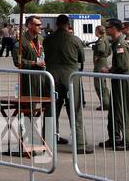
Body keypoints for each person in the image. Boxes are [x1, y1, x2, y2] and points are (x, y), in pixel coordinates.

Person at [44, 14, 89, 152]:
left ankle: (49, 139)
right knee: (75, 109)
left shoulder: (47, 39)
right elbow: (82, 58)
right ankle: (80, 143)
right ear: (67, 24)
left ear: (56, 24)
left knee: (51, 108)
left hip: (52, 75)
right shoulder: (75, 40)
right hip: (70, 75)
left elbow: (46, 54)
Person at [101, 19, 129, 150]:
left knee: (124, 110)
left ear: (115, 28)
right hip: (117, 79)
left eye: (108, 27)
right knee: (114, 110)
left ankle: (128, 141)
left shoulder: (121, 44)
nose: (106, 29)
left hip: (122, 81)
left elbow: (123, 65)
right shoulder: (116, 42)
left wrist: (111, 70)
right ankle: (114, 138)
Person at [92, 25, 112, 113]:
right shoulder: (106, 39)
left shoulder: (101, 40)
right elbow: (109, 51)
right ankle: (106, 102)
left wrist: (98, 56)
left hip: (100, 63)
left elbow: (101, 50)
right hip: (104, 61)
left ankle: (105, 103)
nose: (95, 32)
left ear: (98, 31)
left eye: (95, 31)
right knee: (102, 84)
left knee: (99, 84)